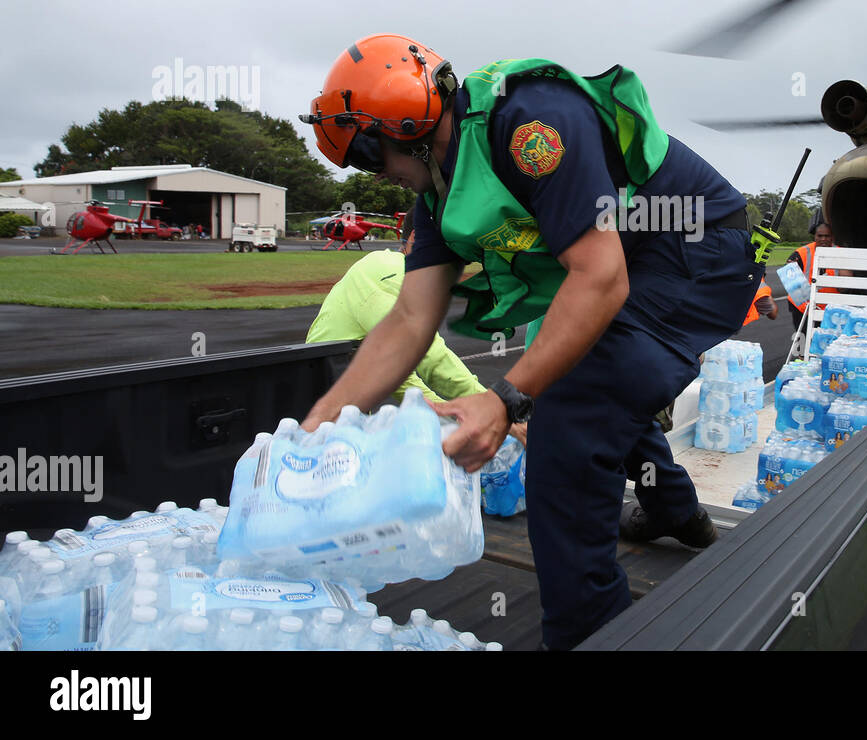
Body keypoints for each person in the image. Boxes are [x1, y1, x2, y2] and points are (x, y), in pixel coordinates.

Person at [296, 36, 761, 650]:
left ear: (404, 125)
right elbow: (409, 319)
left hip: (693, 247)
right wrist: (321, 422)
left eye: (367, 153)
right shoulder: (436, 196)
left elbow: (600, 277)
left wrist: (506, 399)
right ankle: (679, 514)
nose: (373, 171)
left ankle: (588, 635)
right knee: (594, 379)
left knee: (572, 413)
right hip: (629, 258)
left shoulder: (529, 123)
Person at [304, 201, 494, 416]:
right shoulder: (390, 270)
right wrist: (489, 407)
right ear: (415, 239)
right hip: (319, 405)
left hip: (329, 402)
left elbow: (399, 371)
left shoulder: (400, 272)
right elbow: (431, 357)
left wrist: (449, 413)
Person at [785, 218, 836, 328]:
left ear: (832, 237)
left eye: (827, 236)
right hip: (804, 308)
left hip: (832, 310)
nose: (823, 239)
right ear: (815, 236)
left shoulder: (840, 253)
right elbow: (790, 279)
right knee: (804, 340)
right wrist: (808, 308)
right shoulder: (801, 253)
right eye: (820, 236)